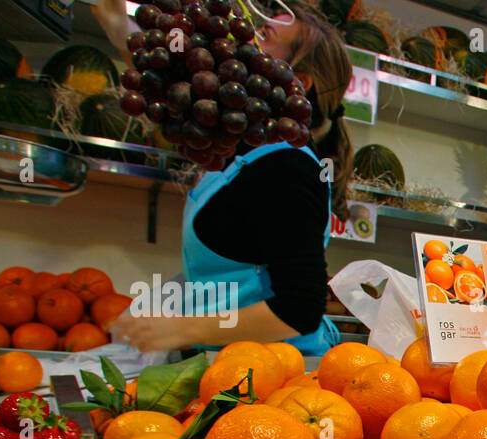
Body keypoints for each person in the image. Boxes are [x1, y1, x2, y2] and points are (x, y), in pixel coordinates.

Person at [98, 2, 351, 355]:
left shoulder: (288, 169)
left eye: (263, 36)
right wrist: (113, 20)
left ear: (296, 81)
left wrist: (178, 328)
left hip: (279, 374)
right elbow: (172, 77)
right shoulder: (239, 149)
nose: (239, 38)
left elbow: (299, 310)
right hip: (228, 364)